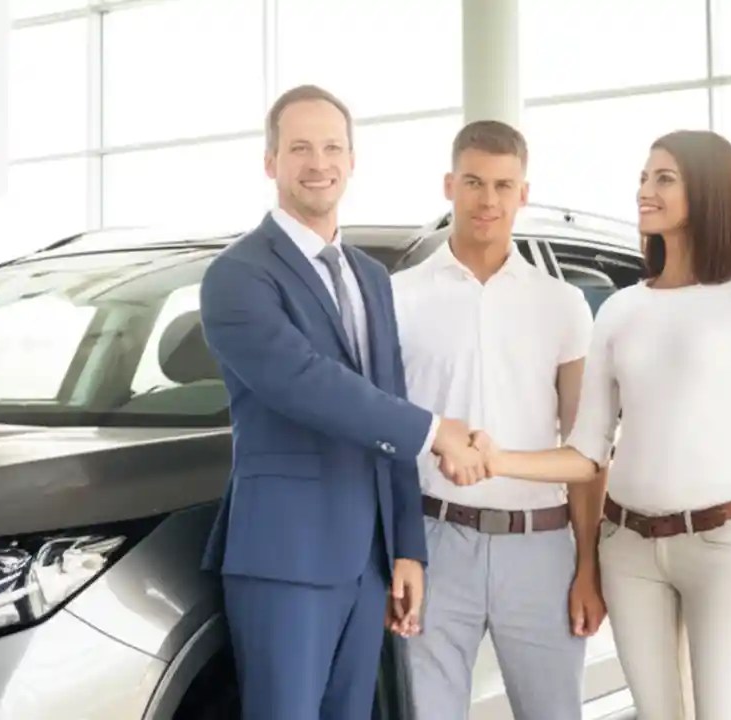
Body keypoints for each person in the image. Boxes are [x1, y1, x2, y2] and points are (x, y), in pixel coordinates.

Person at [472, 129, 731, 720]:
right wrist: (499, 460)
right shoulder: (621, 309)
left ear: (710, 190)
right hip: (629, 550)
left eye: (663, 178)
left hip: (724, 545)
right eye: (644, 178)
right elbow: (588, 450)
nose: (645, 191)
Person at [198, 84, 485, 720]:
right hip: (286, 557)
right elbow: (305, 382)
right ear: (270, 161)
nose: (317, 161)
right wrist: (437, 431)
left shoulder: (370, 276)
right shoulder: (237, 275)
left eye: (332, 147)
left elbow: (388, 403)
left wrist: (406, 545)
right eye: (299, 147)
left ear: (352, 161)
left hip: (369, 563)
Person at [393, 120, 607, 720]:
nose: (488, 200)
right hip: (433, 541)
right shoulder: (398, 297)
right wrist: (397, 551)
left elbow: (589, 451)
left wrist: (587, 565)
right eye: (474, 182)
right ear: (449, 185)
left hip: (541, 548)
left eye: (503, 185)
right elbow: (381, 438)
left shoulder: (561, 305)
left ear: (523, 193)